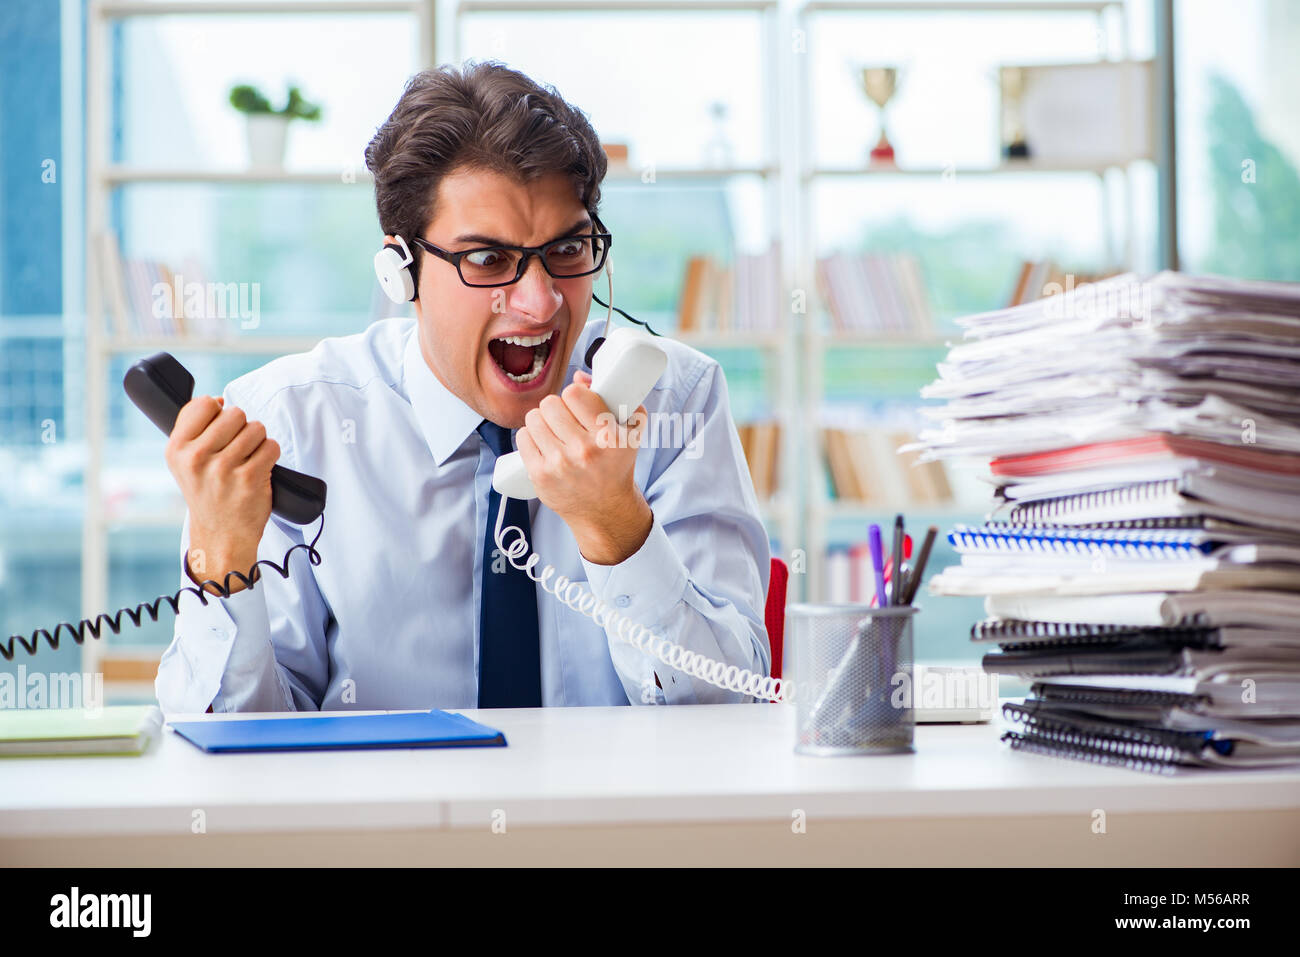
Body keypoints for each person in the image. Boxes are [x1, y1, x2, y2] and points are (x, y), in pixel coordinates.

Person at [154, 61, 771, 713]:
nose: (541, 303)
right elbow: (237, 754)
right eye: (487, 259)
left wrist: (617, 527)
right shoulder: (292, 421)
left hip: (614, 817)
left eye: (566, 250)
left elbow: (732, 718)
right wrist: (223, 565)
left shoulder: (675, 402)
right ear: (401, 270)